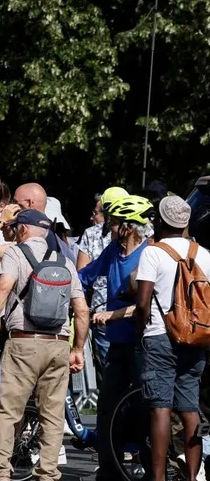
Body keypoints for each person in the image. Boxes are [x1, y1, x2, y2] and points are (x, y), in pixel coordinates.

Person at [0, 208, 87, 481]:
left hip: (23, 341)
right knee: (53, 413)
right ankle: (48, 473)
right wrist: (77, 349)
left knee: (9, 410)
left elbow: (3, 288)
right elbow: (81, 310)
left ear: (22, 229)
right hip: (58, 343)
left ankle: (1, 472)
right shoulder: (65, 261)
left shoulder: (15, 253)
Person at [132, 194, 210, 481]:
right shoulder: (204, 253)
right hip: (197, 339)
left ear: (161, 221)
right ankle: (193, 476)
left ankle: (158, 477)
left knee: (160, 408)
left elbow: (142, 302)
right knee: (190, 408)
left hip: (160, 337)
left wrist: (142, 330)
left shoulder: (153, 252)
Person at [80, 193, 150, 472]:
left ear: (128, 227)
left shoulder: (148, 254)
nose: (108, 227)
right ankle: (110, 469)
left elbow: (146, 305)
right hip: (116, 344)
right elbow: (85, 274)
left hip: (140, 344)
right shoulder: (112, 251)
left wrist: (112, 314)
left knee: (143, 409)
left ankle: (149, 466)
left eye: (113, 222)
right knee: (107, 407)